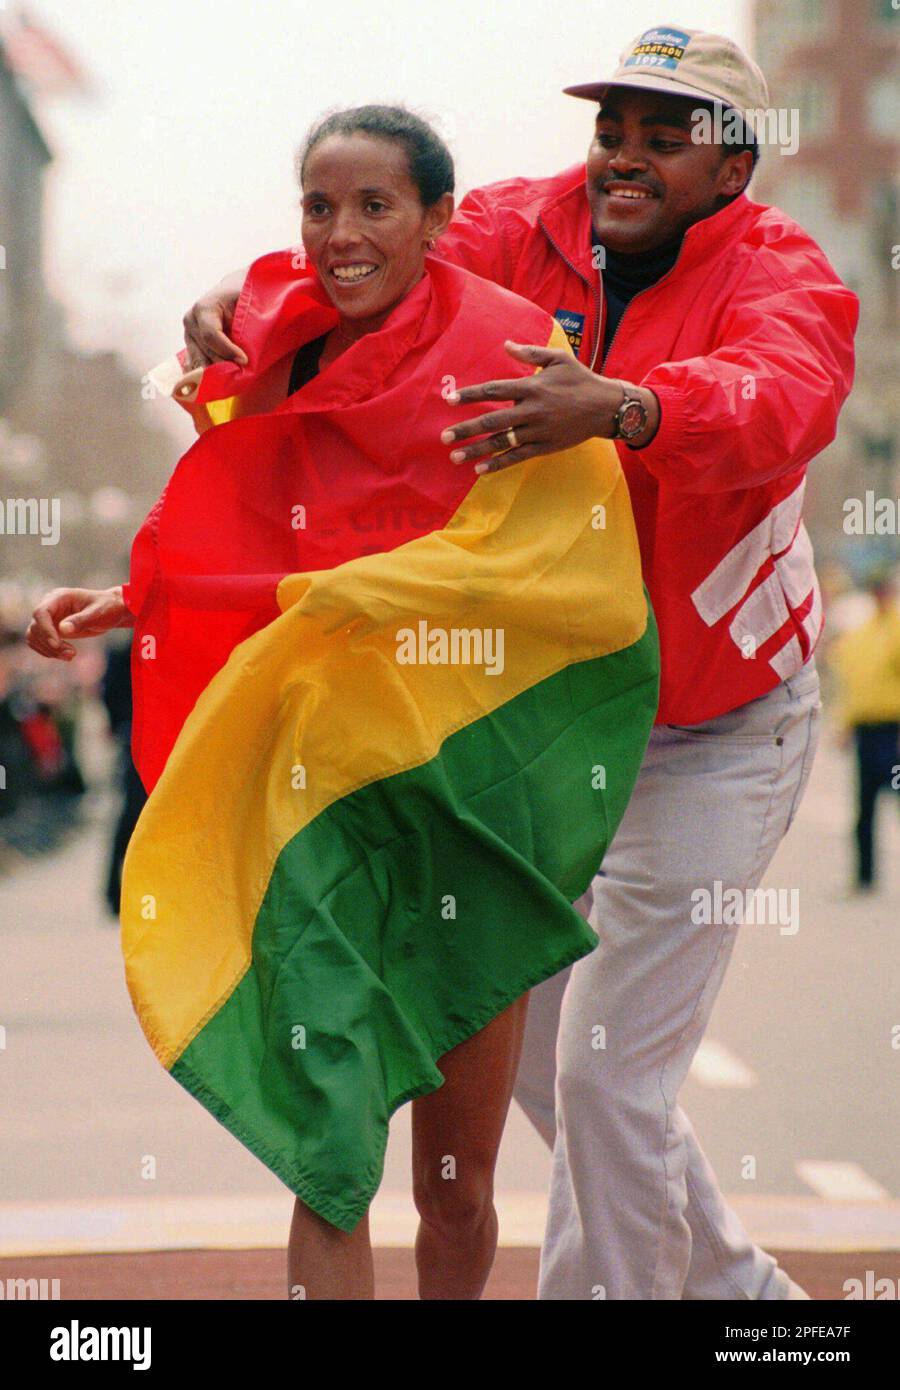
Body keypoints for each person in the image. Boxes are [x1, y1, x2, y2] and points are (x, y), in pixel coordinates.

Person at [183, 25, 858, 1301]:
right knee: (565, 1068)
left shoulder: (786, 274)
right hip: (562, 722)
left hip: (719, 722)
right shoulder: (520, 226)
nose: (627, 156)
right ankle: (739, 1297)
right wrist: (246, 300)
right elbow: (370, 255)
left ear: (734, 168)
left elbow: (786, 396)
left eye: (669, 137)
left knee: (605, 1068)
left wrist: (626, 405)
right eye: (614, 130)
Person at [27, 106, 659, 1300]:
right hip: (319, 806)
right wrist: (131, 598)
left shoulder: (517, 353)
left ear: (437, 219)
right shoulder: (284, 358)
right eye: (320, 207)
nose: (343, 233)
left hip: (470, 800)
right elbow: (252, 538)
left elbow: (548, 571)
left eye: (375, 206)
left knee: (458, 1181)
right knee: (330, 1164)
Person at [831, 573, 900, 892]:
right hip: (867, 732)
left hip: (893, 730)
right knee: (865, 806)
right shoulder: (859, 637)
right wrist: (845, 724)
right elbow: (852, 686)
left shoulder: (894, 631)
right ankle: (864, 874)